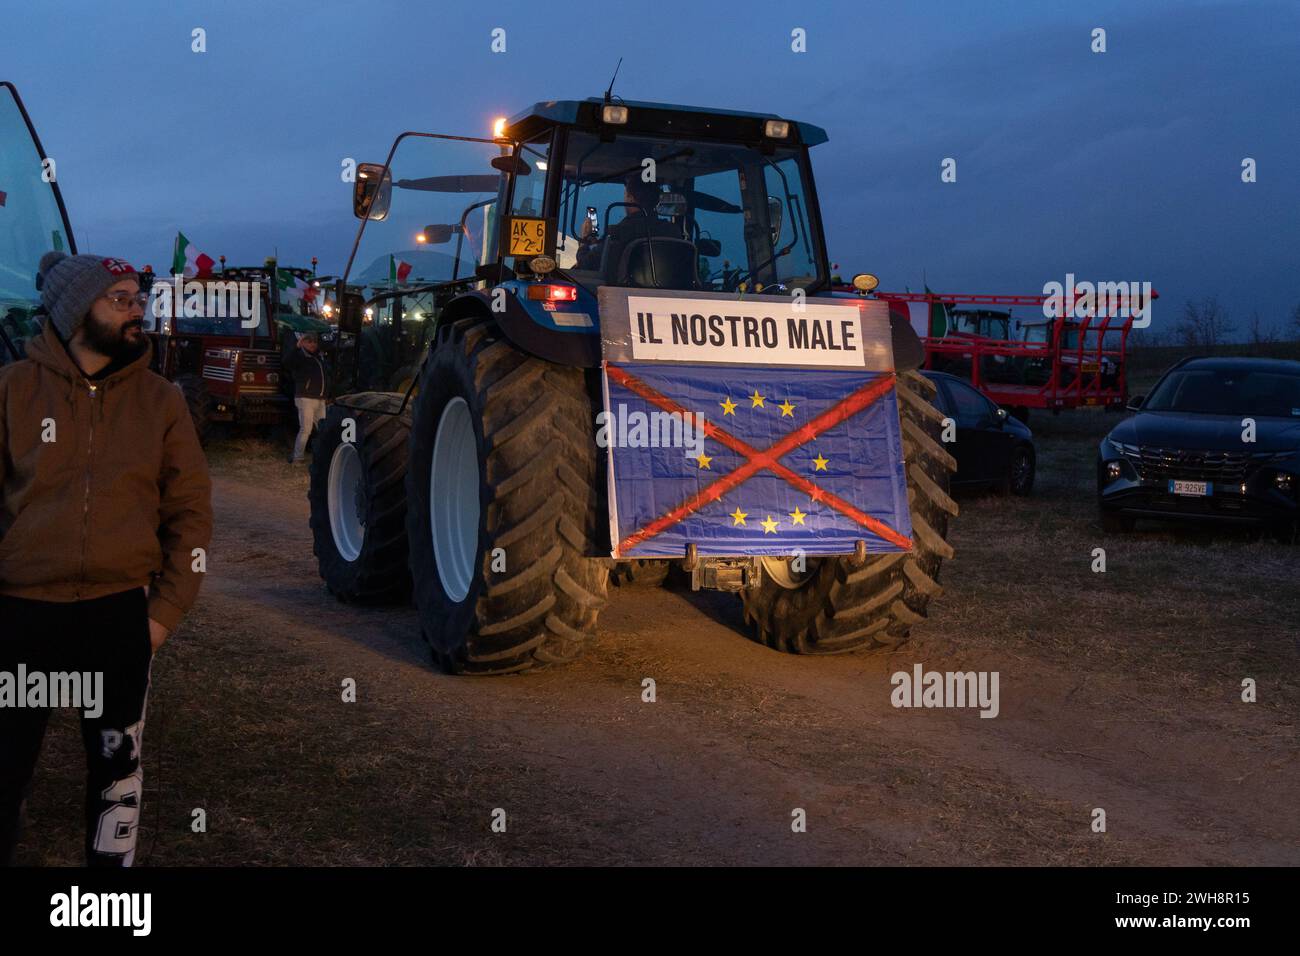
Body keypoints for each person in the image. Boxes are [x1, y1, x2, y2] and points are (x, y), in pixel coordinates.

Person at [0, 251, 213, 866]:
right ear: (74, 312)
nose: (136, 310)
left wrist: (161, 615)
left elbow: (191, 515)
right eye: (119, 299)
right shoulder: (13, 393)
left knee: (116, 778)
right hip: (22, 621)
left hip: (117, 619)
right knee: (5, 765)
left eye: (138, 298)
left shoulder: (160, 402)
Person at [576, 173, 680, 275]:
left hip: (620, 290)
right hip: (671, 291)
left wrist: (584, 241)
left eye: (625, 194)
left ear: (630, 197)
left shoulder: (617, 233)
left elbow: (586, 264)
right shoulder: (673, 232)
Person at [282, 330, 328, 464]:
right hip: (305, 398)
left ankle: (320, 457)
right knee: (306, 429)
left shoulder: (318, 357)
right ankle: (297, 457)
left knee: (322, 429)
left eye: (314, 341)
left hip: (319, 398)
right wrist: (296, 347)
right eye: (309, 341)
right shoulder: (299, 357)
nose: (313, 344)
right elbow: (286, 363)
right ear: (303, 343)